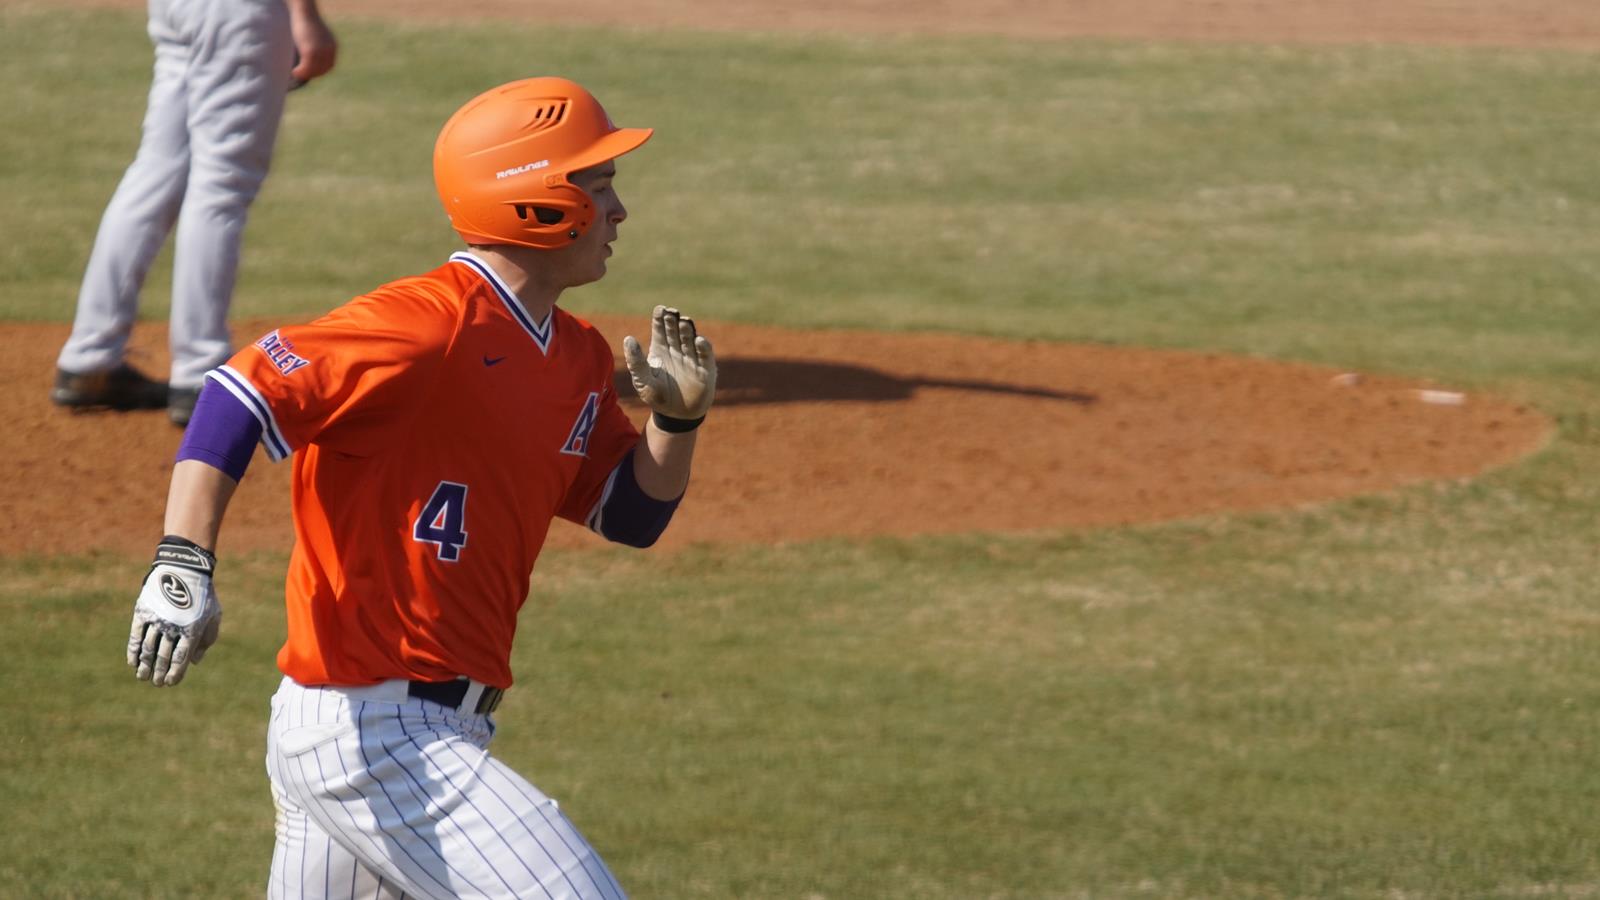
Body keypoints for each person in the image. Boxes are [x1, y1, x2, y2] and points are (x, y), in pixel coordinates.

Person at [123, 76, 717, 898]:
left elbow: (631, 513)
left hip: (415, 730)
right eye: (599, 185)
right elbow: (240, 391)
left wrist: (676, 424)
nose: (619, 212)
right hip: (376, 731)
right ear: (536, 201)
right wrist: (182, 558)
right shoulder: (424, 323)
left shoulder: (577, 357)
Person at [53, 0, 338, 426]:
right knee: (222, 185)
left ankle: (90, 358)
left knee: (154, 172)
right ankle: (200, 371)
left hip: (175, 8)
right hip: (239, 12)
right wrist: (305, 16)